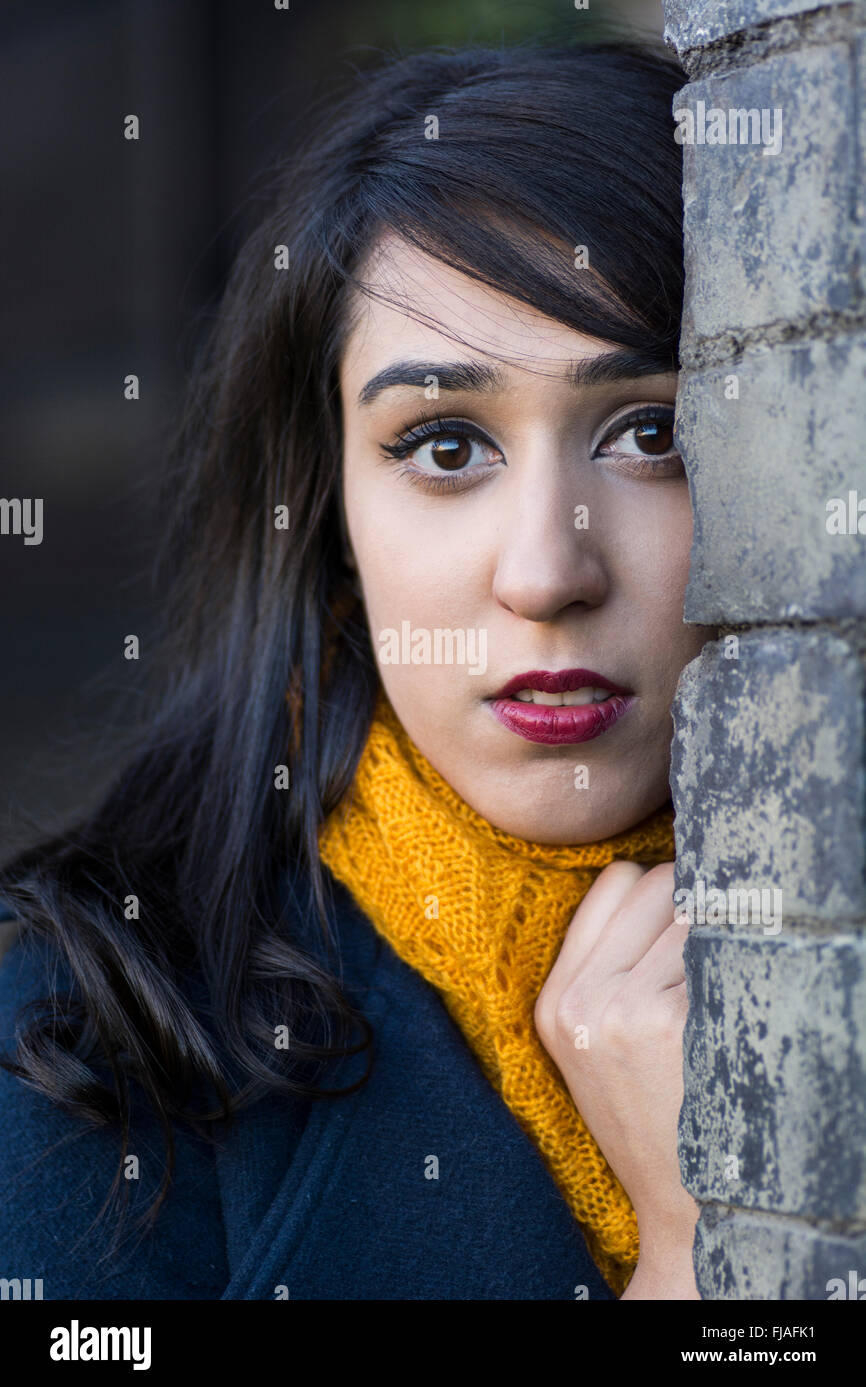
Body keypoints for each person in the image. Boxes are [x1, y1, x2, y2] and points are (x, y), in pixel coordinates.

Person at [0, 37, 715, 1301]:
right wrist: (696, 1256)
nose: (547, 569)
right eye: (444, 445)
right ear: (326, 511)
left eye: (648, 431)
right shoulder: (85, 1029)